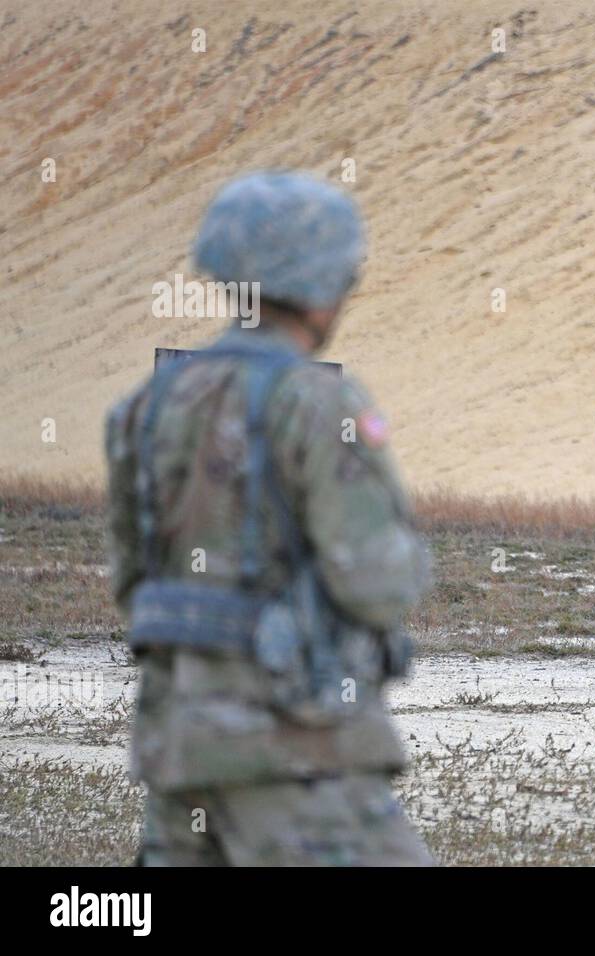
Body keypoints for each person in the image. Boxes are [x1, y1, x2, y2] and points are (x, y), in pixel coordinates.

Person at [104, 170, 433, 865]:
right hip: (294, 751)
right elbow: (376, 582)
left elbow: (135, 583)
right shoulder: (317, 405)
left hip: (180, 746)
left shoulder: (145, 407)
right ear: (318, 287)